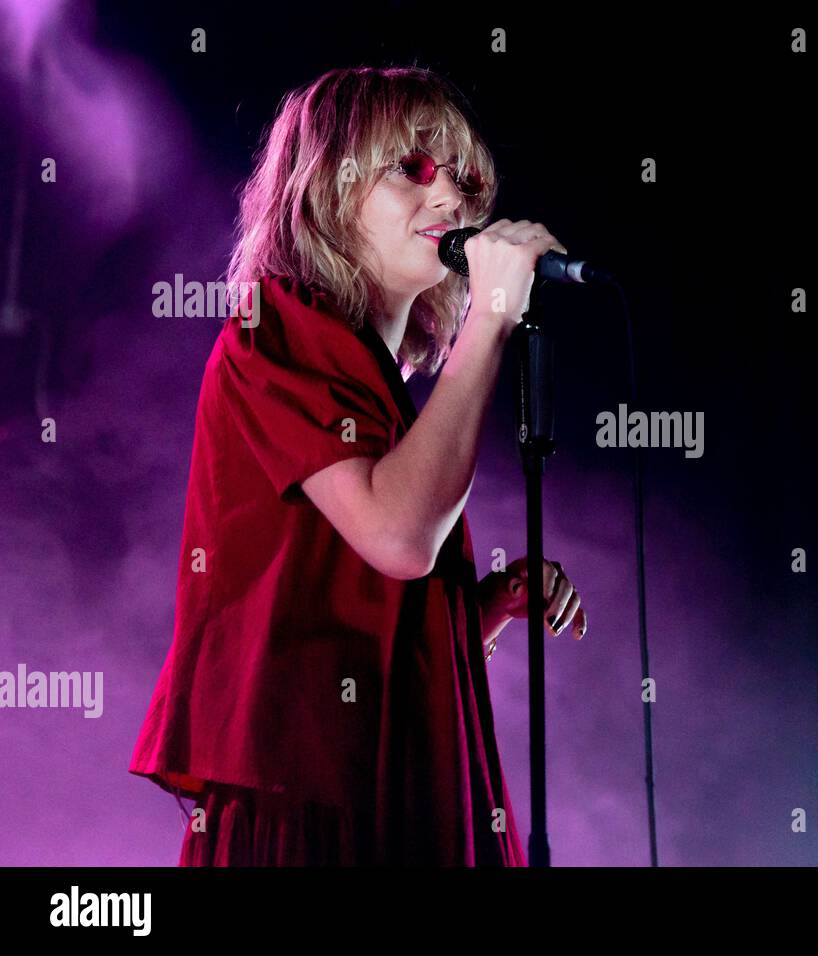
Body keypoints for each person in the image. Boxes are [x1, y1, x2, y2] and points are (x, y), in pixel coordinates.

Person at [129, 66, 588, 866]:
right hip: (311, 800)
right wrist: (489, 321)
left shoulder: (370, 376)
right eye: (411, 168)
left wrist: (481, 609)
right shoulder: (275, 329)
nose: (449, 197)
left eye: (463, 177)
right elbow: (401, 535)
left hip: (393, 784)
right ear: (324, 193)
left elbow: (364, 620)